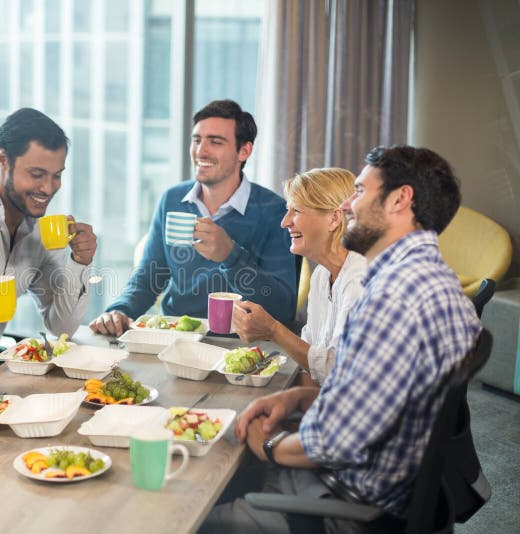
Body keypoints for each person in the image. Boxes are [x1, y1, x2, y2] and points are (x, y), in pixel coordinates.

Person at [201, 145, 482, 533]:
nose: (348, 205)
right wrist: (298, 397)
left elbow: (333, 442)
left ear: (400, 199)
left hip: (347, 502)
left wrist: (265, 447)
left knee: (193, 510)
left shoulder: (391, 297)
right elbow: (376, 397)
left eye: (361, 191)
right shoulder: (426, 279)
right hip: (371, 483)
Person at [90, 99, 296, 336]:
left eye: (215, 142)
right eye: (197, 140)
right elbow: (148, 279)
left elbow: (282, 308)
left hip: (238, 343)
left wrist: (230, 255)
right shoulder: (172, 200)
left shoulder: (275, 211)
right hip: (175, 335)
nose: (201, 151)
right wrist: (118, 311)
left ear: (244, 151)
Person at [0, 108, 97, 371]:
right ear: (3, 160)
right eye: (37, 174)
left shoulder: (42, 235)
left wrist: (80, 261)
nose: (49, 188)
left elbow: (61, 327)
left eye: (57, 175)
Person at [232, 168, 366, 385]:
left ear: (334, 218)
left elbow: (337, 369)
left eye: (296, 211)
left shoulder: (360, 279)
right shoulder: (322, 275)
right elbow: (310, 363)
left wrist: (273, 330)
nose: (285, 222)